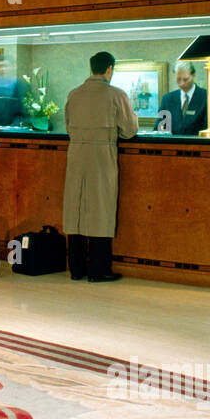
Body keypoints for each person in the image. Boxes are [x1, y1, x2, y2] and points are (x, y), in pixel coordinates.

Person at [63, 50, 139, 282]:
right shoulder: (116, 95)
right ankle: (98, 270)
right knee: (100, 209)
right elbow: (129, 130)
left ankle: (76, 269)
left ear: (91, 67)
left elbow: (67, 127)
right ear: (109, 69)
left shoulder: (74, 94)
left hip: (76, 154)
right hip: (101, 155)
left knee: (75, 209)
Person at [158, 60, 208, 135]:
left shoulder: (207, 97)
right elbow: (158, 129)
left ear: (194, 75)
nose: (181, 83)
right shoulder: (167, 99)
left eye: (185, 79)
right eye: (178, 79)